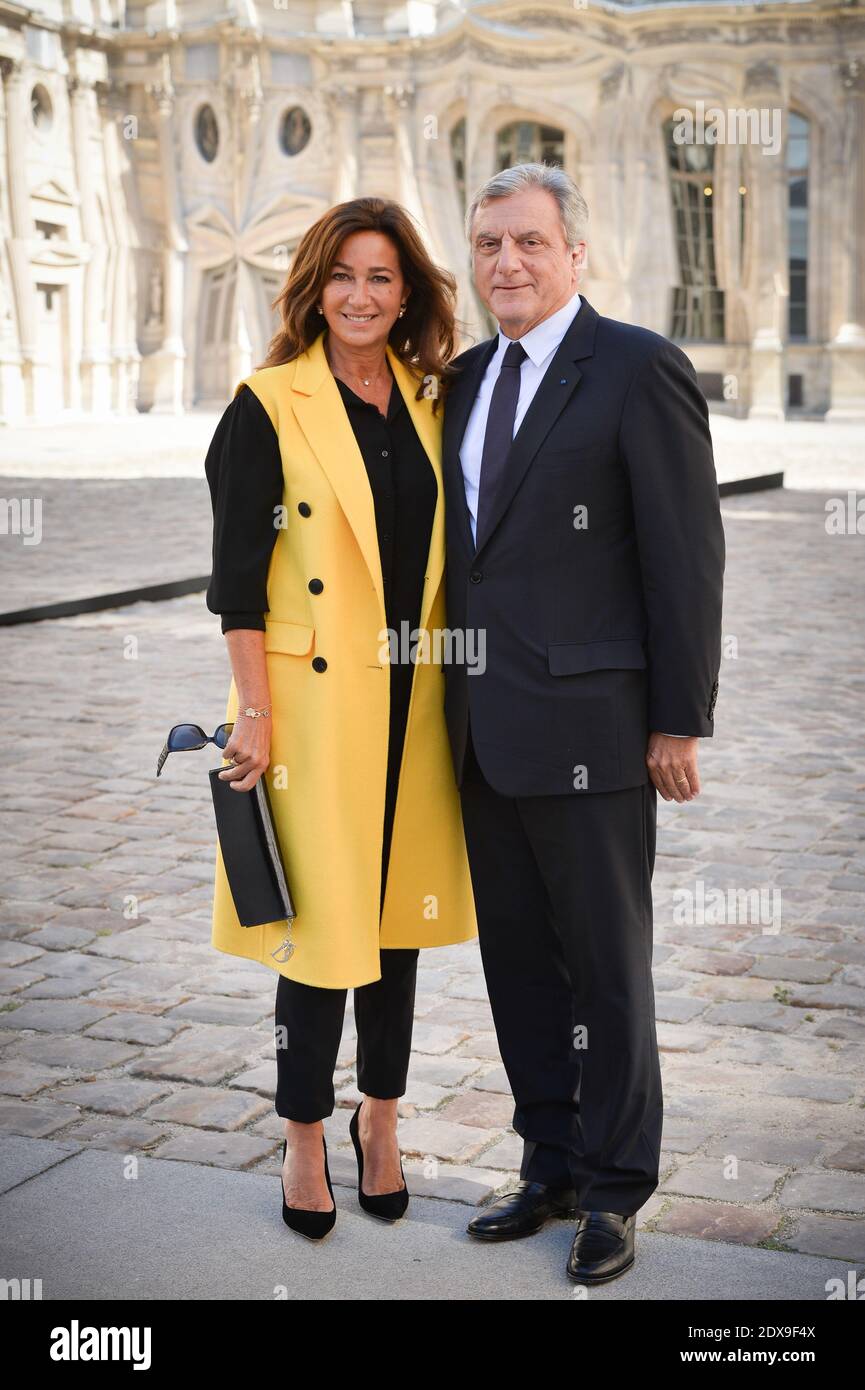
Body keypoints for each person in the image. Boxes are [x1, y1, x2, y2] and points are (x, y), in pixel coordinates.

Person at [441, 162, 725, 1284]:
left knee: (606, 970)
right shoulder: (461, 379)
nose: (505, 263)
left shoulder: (637, 368)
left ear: (574, 256)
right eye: (488, 245)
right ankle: (548, 1160)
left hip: (597, 728)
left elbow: (685, 557)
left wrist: (678, 719)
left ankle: (612, 1191)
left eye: (527, 242)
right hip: (480, 731)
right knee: (518, 966)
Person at [203, 197, 477, 1239]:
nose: (360, 296)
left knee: (395, 929)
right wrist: (255, 714)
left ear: (407, 293)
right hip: (310, 710)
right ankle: (305, 1134)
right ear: (315, 287)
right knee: (320, 939)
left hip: (414, 703)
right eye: (343, 276)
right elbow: (237, 585)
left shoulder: (431, 398)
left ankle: (383, 1120)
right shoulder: (266, 403)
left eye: (381, 278)